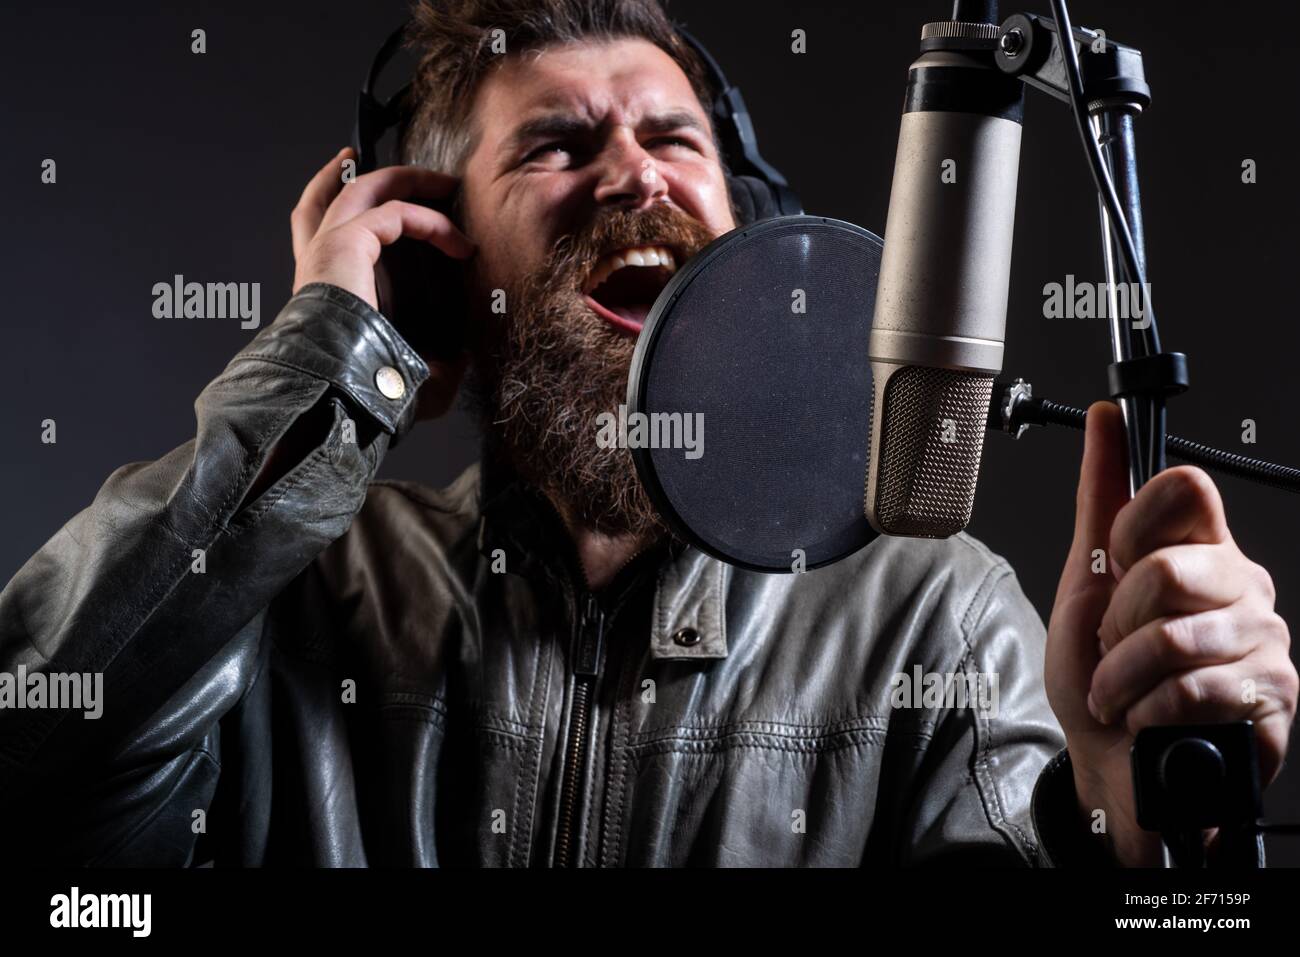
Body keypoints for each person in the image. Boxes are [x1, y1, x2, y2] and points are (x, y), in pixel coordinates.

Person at [1, 0, 1294, 867]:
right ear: (446, 273)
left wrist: (1119, 824)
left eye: (674, 138)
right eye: (559, 147)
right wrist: (328, 357)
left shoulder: (932, 616)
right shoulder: (288, 600)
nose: (635, 175)